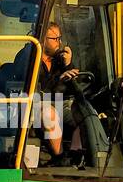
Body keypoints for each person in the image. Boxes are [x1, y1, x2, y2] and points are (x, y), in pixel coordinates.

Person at [15, 21, 80, 159]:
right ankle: (59, 157)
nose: (59, 42)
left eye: (60, 38)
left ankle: (76, 155)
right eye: (55, 39)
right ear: (43, 39)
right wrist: (59, 79)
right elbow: (35, 90)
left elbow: (74, 86)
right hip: (33, 104)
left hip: (59, 103)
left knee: (85, 114)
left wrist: (68, 65)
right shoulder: (27, 57)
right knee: (49, 114)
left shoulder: (59, 60)